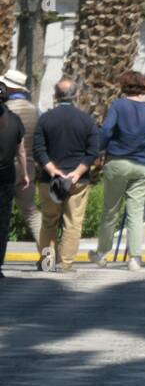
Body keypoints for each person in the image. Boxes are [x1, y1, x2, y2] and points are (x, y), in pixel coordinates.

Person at [88, 71, 145, 272]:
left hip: (118, 162)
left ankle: (102, 253)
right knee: (136, 212)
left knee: (111, 210)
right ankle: (135, 258)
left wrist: (99, 149)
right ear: (143, 87)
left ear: (124, 86)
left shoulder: (119, 106)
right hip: (142, 165)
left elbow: (106, 130)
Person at [32, 77, 99, 272]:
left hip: (49, 180)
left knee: (48, 221)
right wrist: (76, 174)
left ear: (55, 96)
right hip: (77, 182)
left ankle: (47, 262)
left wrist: (53, 170)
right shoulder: (86, 120)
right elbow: (92, 151)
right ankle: (66, 264)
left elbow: (38, 149)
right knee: (73, 223)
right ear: (76, 95)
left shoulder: (45, 119)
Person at [2, 69, 41, 240]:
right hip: (29, 167)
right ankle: (49, 255)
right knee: (31, 212)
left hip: (6, 166)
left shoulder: (5, 110)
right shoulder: (35, 110)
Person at [0, 81, 28, 278]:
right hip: (6, 175)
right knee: (2, 221)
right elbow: (21, 151)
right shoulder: (15, 120)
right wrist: (25, 173)